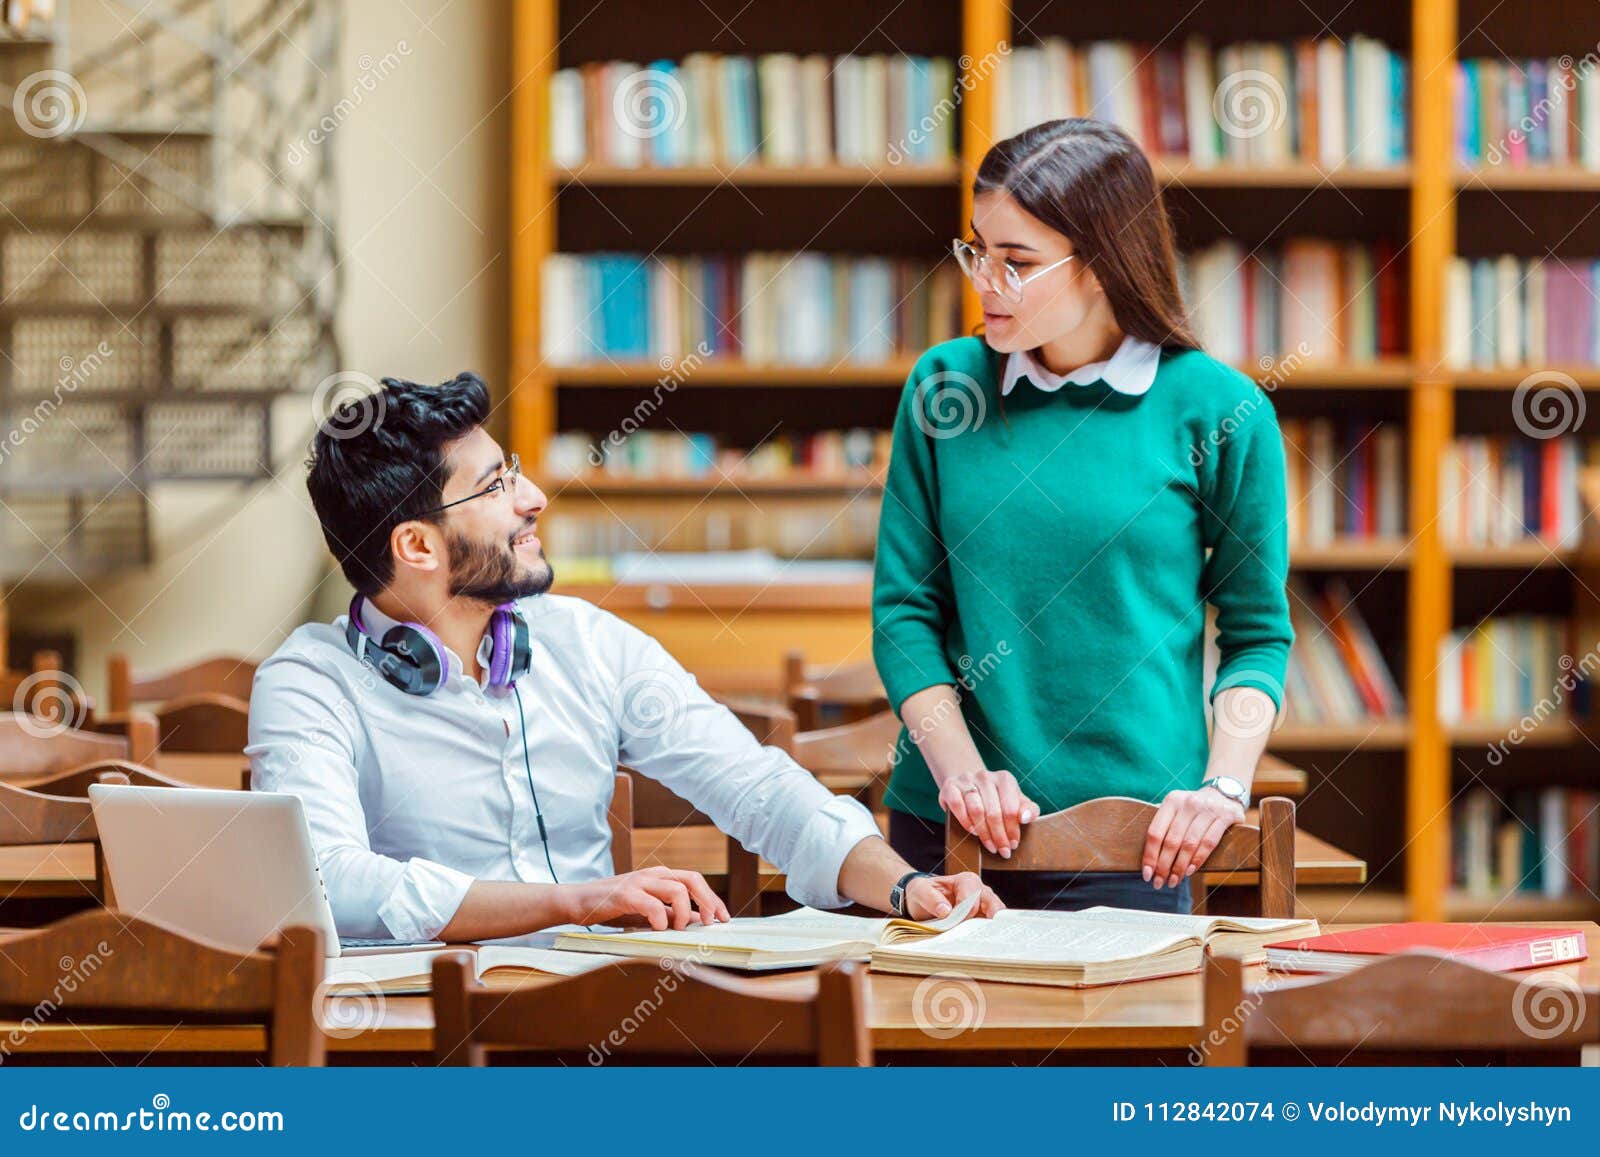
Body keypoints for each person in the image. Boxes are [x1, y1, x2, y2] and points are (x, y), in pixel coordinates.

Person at [246, 372, 998, 943]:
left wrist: (904, 888)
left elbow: (758, 788)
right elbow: (328, 880)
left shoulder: (585, 640)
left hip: (591, 1026)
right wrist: (575, 901)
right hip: (418, 1047)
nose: (534, 495)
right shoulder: (310, 682)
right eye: (497, 485)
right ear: (416, 545)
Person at [873, 118, 1295, 914]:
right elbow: (904, 612)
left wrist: (1224, 786)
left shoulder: (1219, 409)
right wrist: (962, 772)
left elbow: (1257, 633)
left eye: (1017, 262)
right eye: (977, 251)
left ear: (1103, 264)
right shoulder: (944, 388)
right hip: (945, 827)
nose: (984, 282)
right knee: (927, 1037)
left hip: (1138, 837)